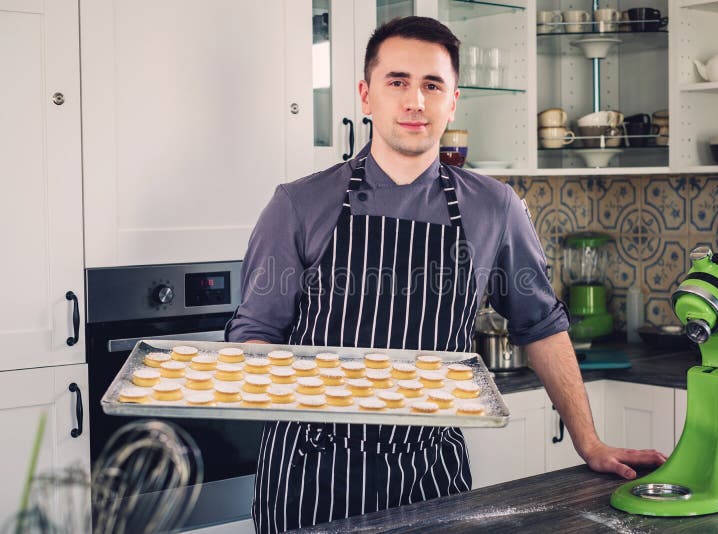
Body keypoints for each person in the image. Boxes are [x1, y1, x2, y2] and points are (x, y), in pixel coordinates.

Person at [226, 16, 666, 534]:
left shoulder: (494, 208)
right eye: (398, 82)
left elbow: (541, 325)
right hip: (311, 471)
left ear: (452, 100)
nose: (416, 101)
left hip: (429, 470)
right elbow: (255, 332)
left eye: (432, 85)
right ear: (366, 97)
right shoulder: (298, 205)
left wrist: (588, 441)